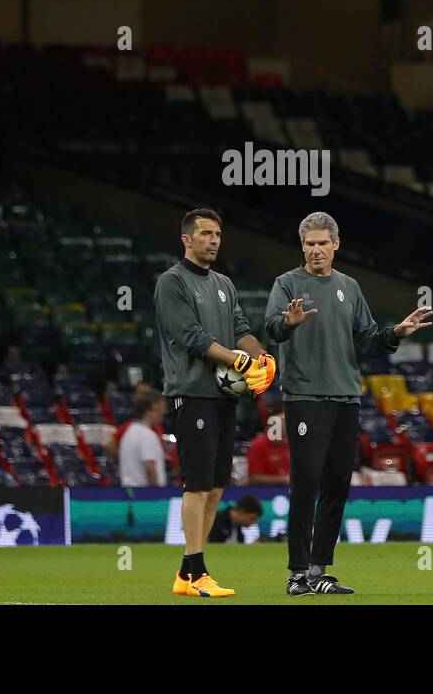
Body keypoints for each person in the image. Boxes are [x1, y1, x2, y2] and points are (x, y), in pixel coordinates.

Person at [265, 211, 433, 596]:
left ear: (336, 245)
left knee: (338, 484)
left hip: (345, 396)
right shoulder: (286, 283)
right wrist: (288, 323)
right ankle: (296, 573)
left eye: (322, 243)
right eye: (309, 244)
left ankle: (319, 570)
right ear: (302, 246)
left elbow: (367, 339)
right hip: (306, 396)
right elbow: (272, 327)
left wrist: (396, 332)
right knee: (305, 482)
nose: (316, 250)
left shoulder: (349, 287)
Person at [154, 208, 276, 599]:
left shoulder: (224, 283)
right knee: (197, 484)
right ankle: (195, 570)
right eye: (205, 234)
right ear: (187, 240)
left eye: (218, 234)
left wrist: (261, 357)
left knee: (216, 489)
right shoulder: (172, 282)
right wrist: (238, 361)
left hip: (224, 397)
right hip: (190, 394)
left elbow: (241, 330)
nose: (213, 240)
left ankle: (190, 572)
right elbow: (189, 336)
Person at [118, 388, 167, 487]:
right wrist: (156, 494)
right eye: (163, 407)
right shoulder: (147, 436)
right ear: (154, 406)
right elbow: (149, 468)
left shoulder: (129, 432)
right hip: (146, 496)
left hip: (130, 494)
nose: (164, 412)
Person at [245, 397, 290, 486]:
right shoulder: (258, 445)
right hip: (267, 493)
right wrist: (283, 480)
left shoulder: (295, 445)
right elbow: (254, 478)